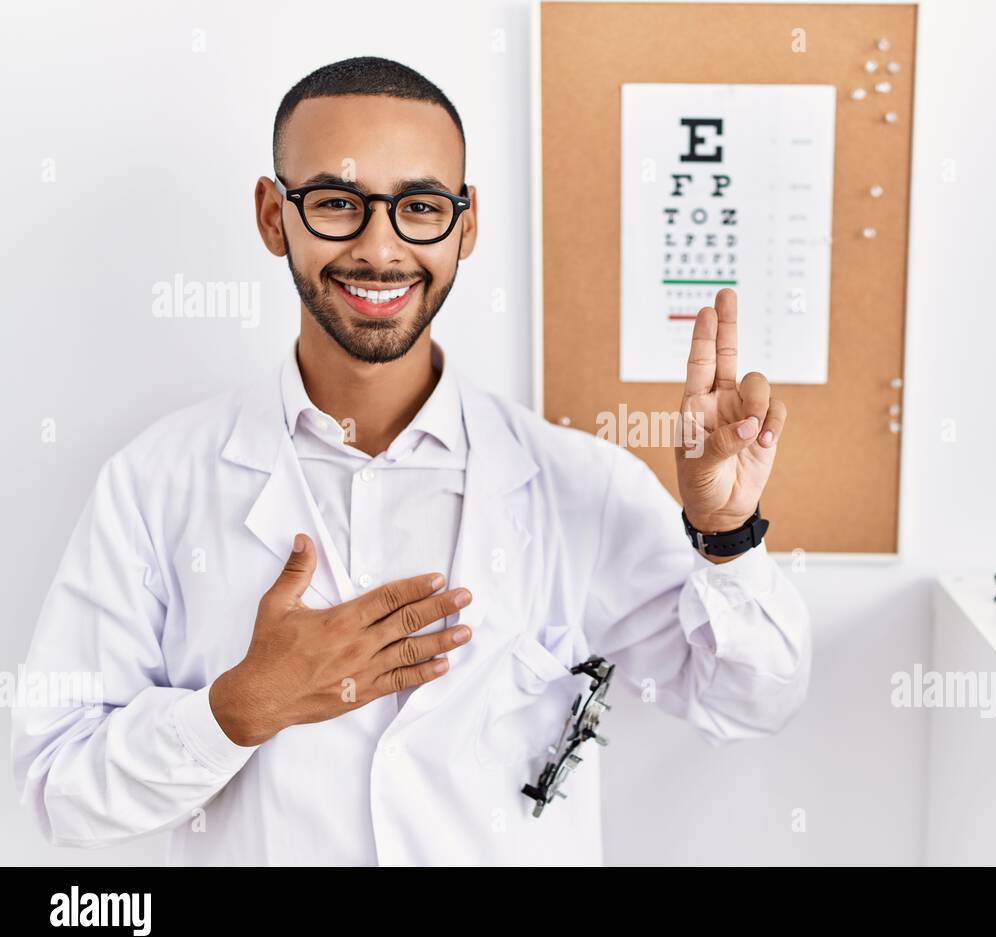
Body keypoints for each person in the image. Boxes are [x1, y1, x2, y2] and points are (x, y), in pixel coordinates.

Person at [11, 56, 811, 865]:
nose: (379, 248)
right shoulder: (156, 484)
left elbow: (749, 703)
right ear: (270, 215)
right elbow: (59, 793)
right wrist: (237, 710)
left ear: (465, 225)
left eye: (420, 207)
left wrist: (726, 533)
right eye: (335, 203)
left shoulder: (580, 486)